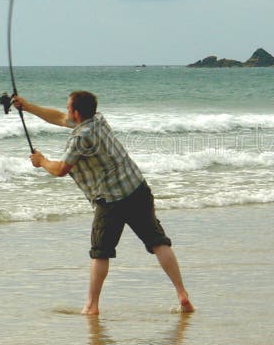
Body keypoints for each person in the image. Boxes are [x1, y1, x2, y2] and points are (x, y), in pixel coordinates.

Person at [12, 91, 194, 316]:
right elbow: (59, 118)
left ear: (77, 113)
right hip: (137, 188)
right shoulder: (98, 120)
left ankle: (91, 306)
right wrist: (27, 106)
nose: (66, 111)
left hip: (111, 200)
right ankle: (182, 293)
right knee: (158, 242)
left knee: (100, 253)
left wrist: (41, 161)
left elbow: (60, 170)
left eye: (69, 108)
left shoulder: (79, 139)